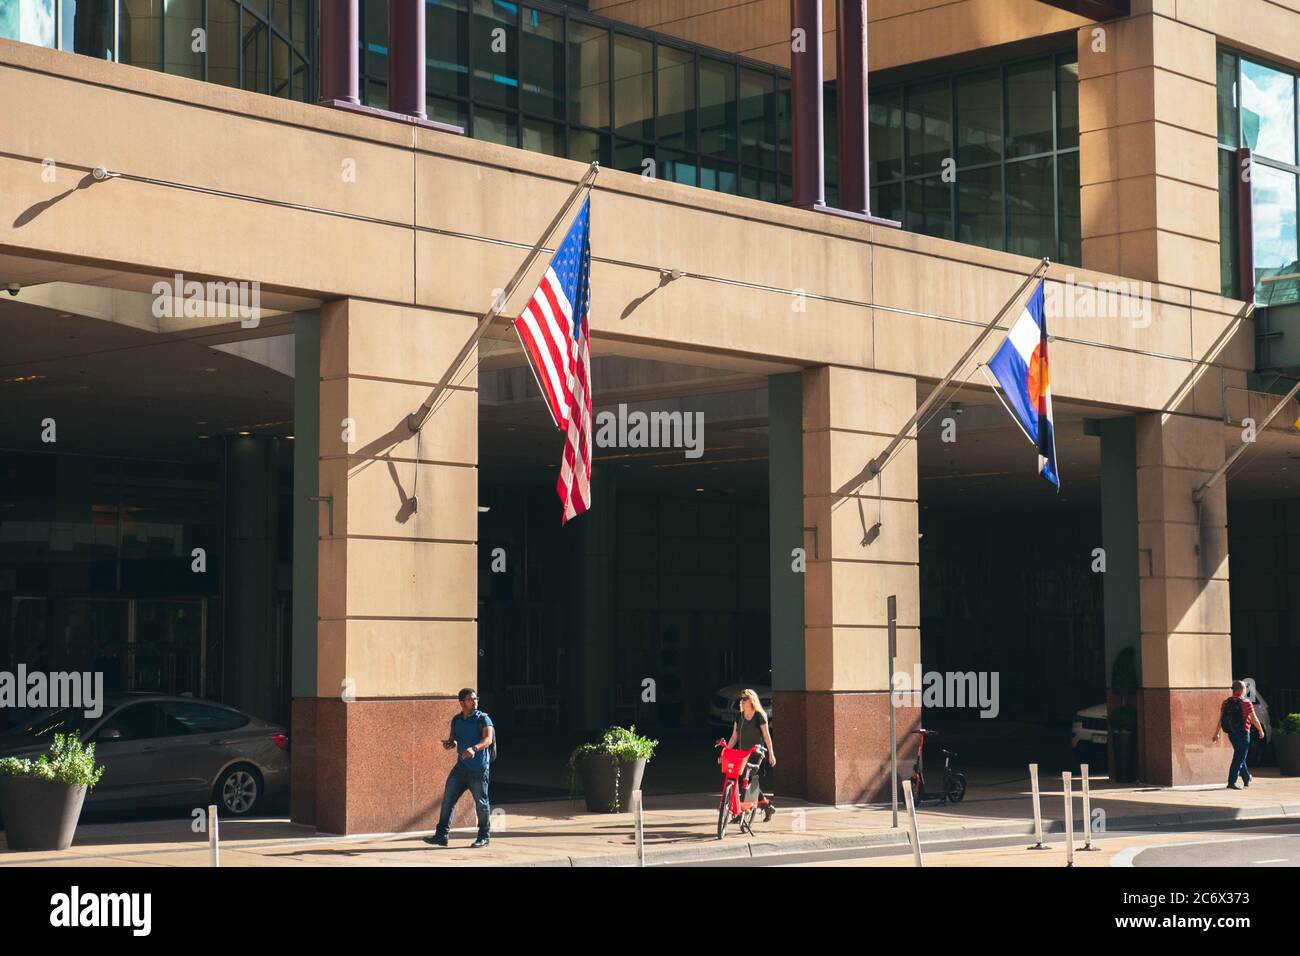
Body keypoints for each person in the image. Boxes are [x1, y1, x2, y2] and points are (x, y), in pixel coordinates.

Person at [425, 688, 494, 848]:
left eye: (476, 698)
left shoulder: (484, 719)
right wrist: (450, 744)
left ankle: (484, 836)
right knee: (448, 800)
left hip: (479, 769)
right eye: (470, 699)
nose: (474, 701)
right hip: (461, 768)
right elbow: (454, 740)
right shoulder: (457, 720)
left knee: (481, 804)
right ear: (462, 703)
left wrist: (474, 749)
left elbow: (488, 740)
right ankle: (441, 835)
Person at [725, 688, 777, 822]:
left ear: (751, 700)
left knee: (749, 780)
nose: (742, 701)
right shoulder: (739, 716)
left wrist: (771, 754)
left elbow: (766, 736)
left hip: (756, 753)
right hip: (742, 754)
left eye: (744, 699)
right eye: (741, 699)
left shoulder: (759, 715)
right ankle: (765, 805)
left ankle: (742, 812)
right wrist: (726, 750)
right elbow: (734, 737)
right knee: (744, 781)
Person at [1213, 679, 1266, 790]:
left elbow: (1221, 719)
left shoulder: (1226, 702)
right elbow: (1254, 719)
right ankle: (1231, 781)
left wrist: (1216, 733)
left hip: (1231, 733)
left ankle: (1246, 778)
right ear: (1242, 689)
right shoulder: (1246, 702)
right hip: (1243, 733)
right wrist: (1260, 730)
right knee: (1238, 758)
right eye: (1245, 688)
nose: (1245, 690)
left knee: (1240, 756)